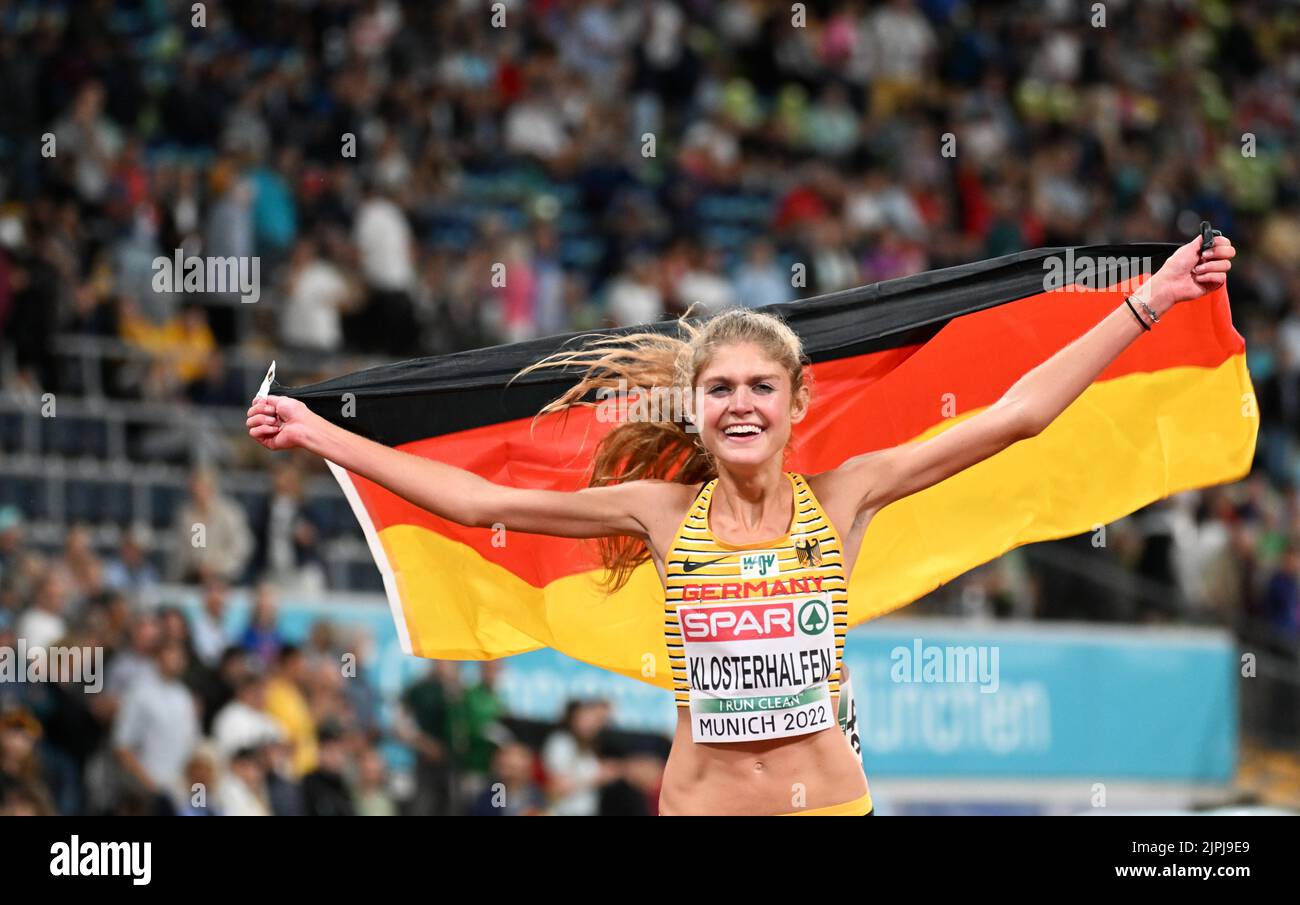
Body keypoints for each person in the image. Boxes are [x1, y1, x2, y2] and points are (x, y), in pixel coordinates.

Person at [247, 233, 1235, 815]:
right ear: (696, 409)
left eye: (762, 383)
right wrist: (324, 435)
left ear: (796, 403)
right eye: (718, 386)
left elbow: (1015, 414)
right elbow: (479, 502)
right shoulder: (657, 510)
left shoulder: (846, 492)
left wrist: (1146, 298)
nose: (740, 400)